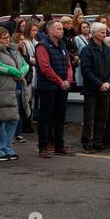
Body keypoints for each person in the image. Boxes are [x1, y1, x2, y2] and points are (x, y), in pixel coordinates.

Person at [0, 26, 29, 161]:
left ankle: (7, 148)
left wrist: (21, 72)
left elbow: (25, 64)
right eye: (4, 38)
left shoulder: (13, 51)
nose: (7, 40)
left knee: (12, 119)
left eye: (8, 37)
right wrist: (14, 71)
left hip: (13, 90)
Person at [34, 17, 73, 158]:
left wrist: (68, 80)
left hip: (62, 87)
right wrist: (59, 81)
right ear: (50, 31)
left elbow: (68, 64)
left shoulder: (62, 45)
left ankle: (59, 145)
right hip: (48, 87)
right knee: (45, 118)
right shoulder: (42, 46)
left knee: (60, 117)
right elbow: (45, 68)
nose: (62, 30)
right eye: (59, 28)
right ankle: (43, 146)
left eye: (62, 28)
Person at [79, 22, 110, 151]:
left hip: (106, 88)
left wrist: (109, 83)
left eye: (105, 32)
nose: (104, 34)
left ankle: (98, 142)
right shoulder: (87, 50)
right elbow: (86, 70)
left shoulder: (107, 50)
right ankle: (86, 141)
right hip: (92, 89)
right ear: (94, 33)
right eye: (101, 32)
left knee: (102, 117)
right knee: (89, 118)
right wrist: (99, 84)